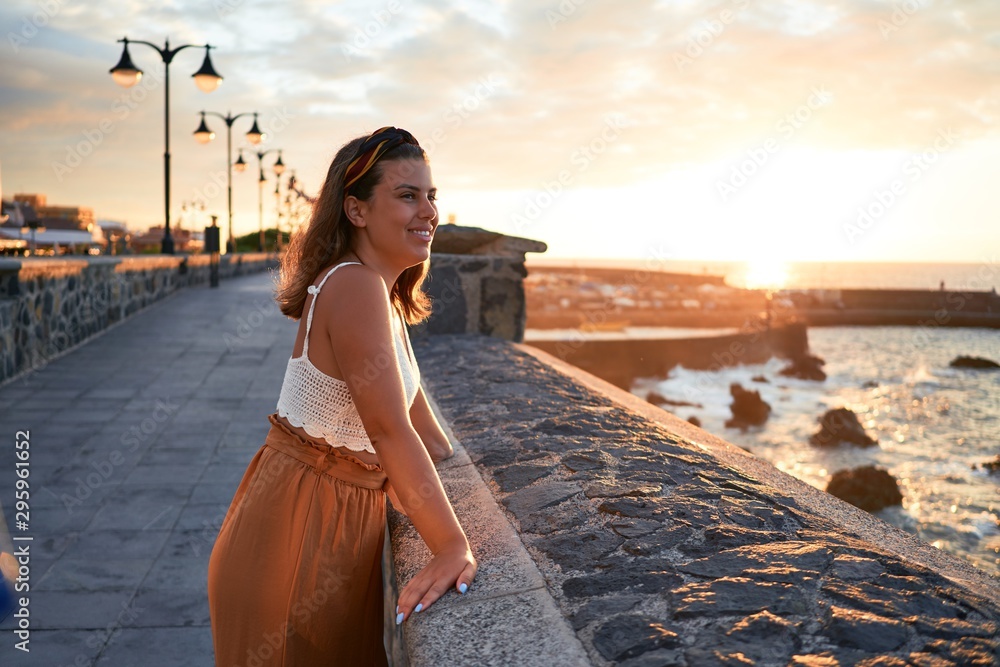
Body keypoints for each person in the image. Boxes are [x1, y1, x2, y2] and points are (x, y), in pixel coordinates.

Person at [208, 126, 477, 666]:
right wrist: (451, 546)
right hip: (299, 528)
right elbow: (387, 429)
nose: (428, 211)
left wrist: (468, 484)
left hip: (337, 527)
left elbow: (426, 434)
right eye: (407, 195)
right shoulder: (352, 285)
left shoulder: (386, 299)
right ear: (356, 211)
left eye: (431, 195)